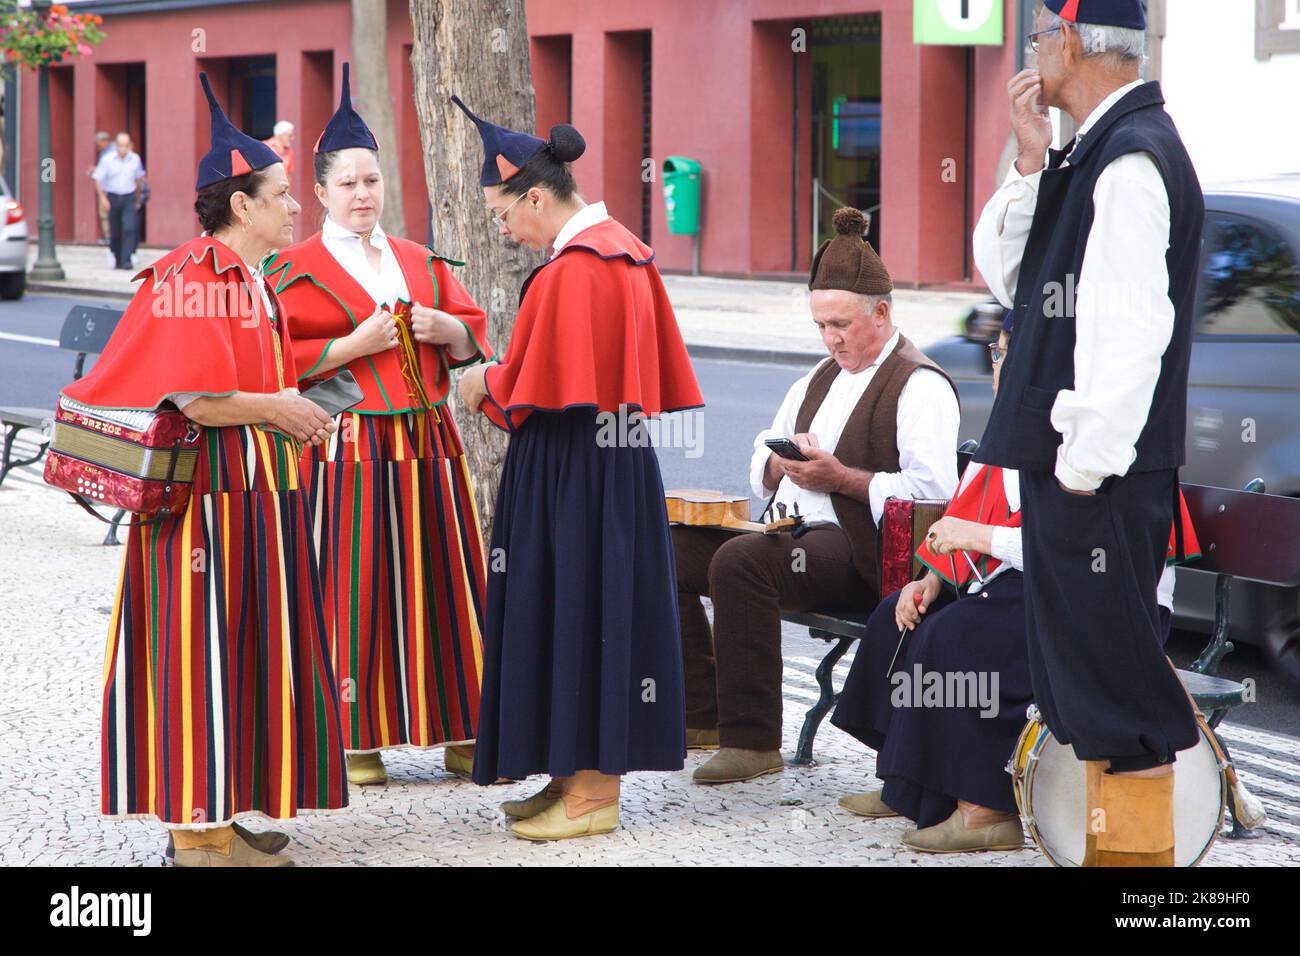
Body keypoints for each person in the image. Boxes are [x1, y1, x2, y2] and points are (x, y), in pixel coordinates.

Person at [57, 74, 349, 867]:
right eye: (284, 194)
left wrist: (297, 404)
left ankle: (219, 813)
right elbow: (197, 399)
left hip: (251, 496)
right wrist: (281, 409)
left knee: (243, 650)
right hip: (203, 505)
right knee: (199, 654)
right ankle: (199, 837)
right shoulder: (192, 276)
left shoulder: (251, 277)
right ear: (242, 205)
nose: (298, 207)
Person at [971, 0, 1204, 866]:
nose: (1031, 52)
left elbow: (1130, 330)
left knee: (1119, 704)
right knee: (1090, 699)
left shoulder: (1133, 157)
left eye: (1037, 34)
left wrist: (1083, 466)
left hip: (1097, 479)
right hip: (1084, 473)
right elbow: (1010, 278)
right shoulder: (1091, 152)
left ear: (1068, 40)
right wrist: (1031, 164)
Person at [831, 315, 1201, 854]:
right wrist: (933, 580)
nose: (1001, 367)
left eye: (1012, 354)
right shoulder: (1021, 427)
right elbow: (974, 518)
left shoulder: (1096, 435)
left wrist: (976, 538)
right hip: (1031, 581)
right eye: (998, 354)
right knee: (899, 617)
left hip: (1109, 601)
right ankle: (910, 783)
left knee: (958, 638)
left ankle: (986, 810)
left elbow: (1080, 553)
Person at [452, 94, 703, 840]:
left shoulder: (573, 270)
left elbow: (527, 393)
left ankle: (592, 797)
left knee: (577, 608)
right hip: (614, 471)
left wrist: (478, 380)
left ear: (535, 195)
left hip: (571, 473)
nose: (504, 229)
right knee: (592, 611)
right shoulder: (627, 248)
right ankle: (572, 773)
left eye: (504, 214)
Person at [676, 207, 960, 786]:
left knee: (741, 563)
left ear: (881, 313)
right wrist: (781, 461)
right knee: (671, 549)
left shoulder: (920, 383)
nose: (831, 339)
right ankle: (703, 716)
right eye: (821, 326)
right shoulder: (819, 374)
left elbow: (935, 493)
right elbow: (762, 450)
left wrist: (842, 479)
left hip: (862, 553)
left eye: (841, 325)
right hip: (792, 534)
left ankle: (753, 741)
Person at [268, 65, 493, 787]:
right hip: (349, 442)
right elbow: (274, 361)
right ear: (320, 193)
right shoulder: (291, 269)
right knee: (355, 587)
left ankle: (464, 727)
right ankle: (356, 736)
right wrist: (348, 348)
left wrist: (446, 328)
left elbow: (472, 342)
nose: (363, 195)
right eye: (348, 184)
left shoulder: (420, 259)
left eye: (372, 181)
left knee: (446, 583)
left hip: (431, 441)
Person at [92, 132, 147, 269]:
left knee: (129, 228)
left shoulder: (135, 159)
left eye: (126, 145)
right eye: (121, 145)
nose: (123, 148)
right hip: (113, 197)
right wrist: (103, 198)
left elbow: (139, 179)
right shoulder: (107, 159)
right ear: (116, 145)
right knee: (115, 231)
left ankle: (126, 260)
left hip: (129, 197)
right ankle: (117, 258)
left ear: (129, 145)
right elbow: (98, 178)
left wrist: (138, 198)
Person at [89, 131, 113, 245]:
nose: (98, 146)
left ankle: (111, 236)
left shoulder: (112, 152)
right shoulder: (104, 152)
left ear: (105, 141)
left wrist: (96, 170)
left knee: (107, 213)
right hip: (104, 186)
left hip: (110, 187)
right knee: (104, 214)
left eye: (98, 144)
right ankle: (108, 236)